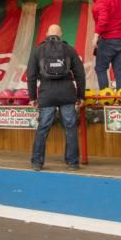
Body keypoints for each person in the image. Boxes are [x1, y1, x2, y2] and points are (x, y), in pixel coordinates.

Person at [26, 24, 85, 171]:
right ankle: (72, 162)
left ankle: (37, 162)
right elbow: (80, 74)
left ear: (47, 34)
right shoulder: (69, 50)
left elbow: (31, 76)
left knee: (43, 128)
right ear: (61, 34)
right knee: (70, 127)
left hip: (47, 93)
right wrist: (80, 95)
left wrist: (32, 97)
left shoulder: (38, 50)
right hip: (67, 93)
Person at [87, 0, 121, 90]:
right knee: (118, 70)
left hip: (109, 38)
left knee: (101, 68)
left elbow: (103, 19)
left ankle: (105, 95)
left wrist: (96, 36)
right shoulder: (118, 0)